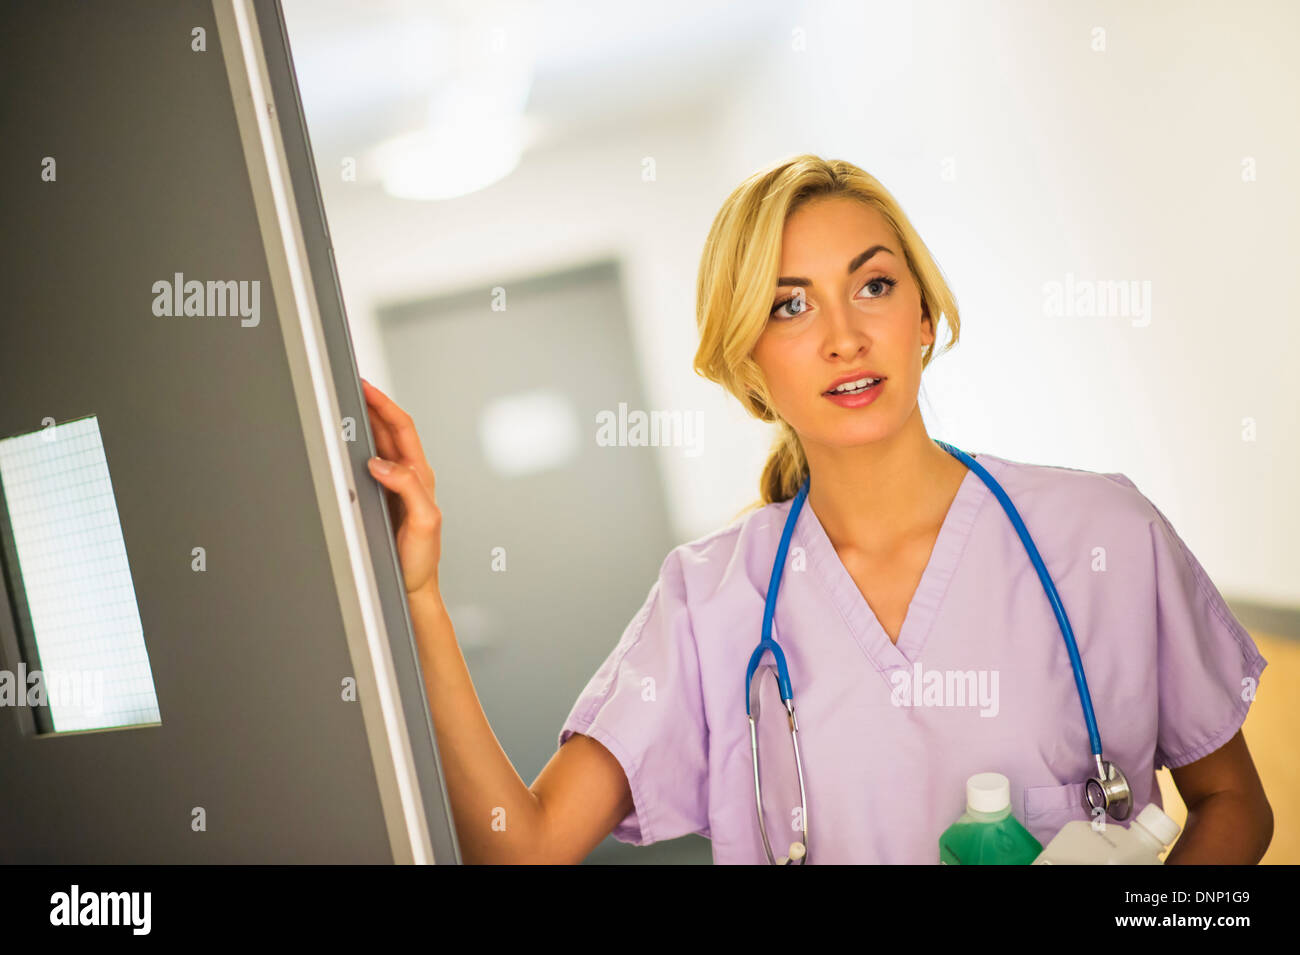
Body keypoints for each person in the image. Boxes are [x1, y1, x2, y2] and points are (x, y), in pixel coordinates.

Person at [362, 153, 1273, 865]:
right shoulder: (710, 601)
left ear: (923, 314)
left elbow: (1236, 804)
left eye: (874, 284)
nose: (845, 335)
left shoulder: (1103, 535)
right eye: (789, 305)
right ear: (750, 365)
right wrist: (422, 600)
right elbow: (518, 844)